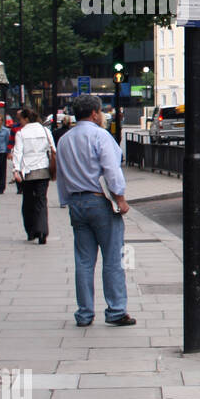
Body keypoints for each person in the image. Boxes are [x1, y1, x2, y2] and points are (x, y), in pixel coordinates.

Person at [55, 95, 134, 327]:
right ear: (94, 113)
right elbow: (111, 170)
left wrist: (65, 200)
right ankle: (116, 310)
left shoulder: (65, 139)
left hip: (76, 203)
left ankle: (84, 312)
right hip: (99, 201)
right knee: (113, 258)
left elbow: (60, 173)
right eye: (100, 112)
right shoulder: (100, 136)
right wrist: (120, 198)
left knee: (84, 260)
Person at [12, 107, 57, 243]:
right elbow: (53, 149)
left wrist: (16, 170)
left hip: (28, 171)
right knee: (41, 201)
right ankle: (43, 230)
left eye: (20, 119)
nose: (20, 122)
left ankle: (31, 231)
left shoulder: (21, 133)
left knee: (28, 202)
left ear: (26, 119)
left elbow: (18, 152)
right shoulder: (45, 130)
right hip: (43, 170)